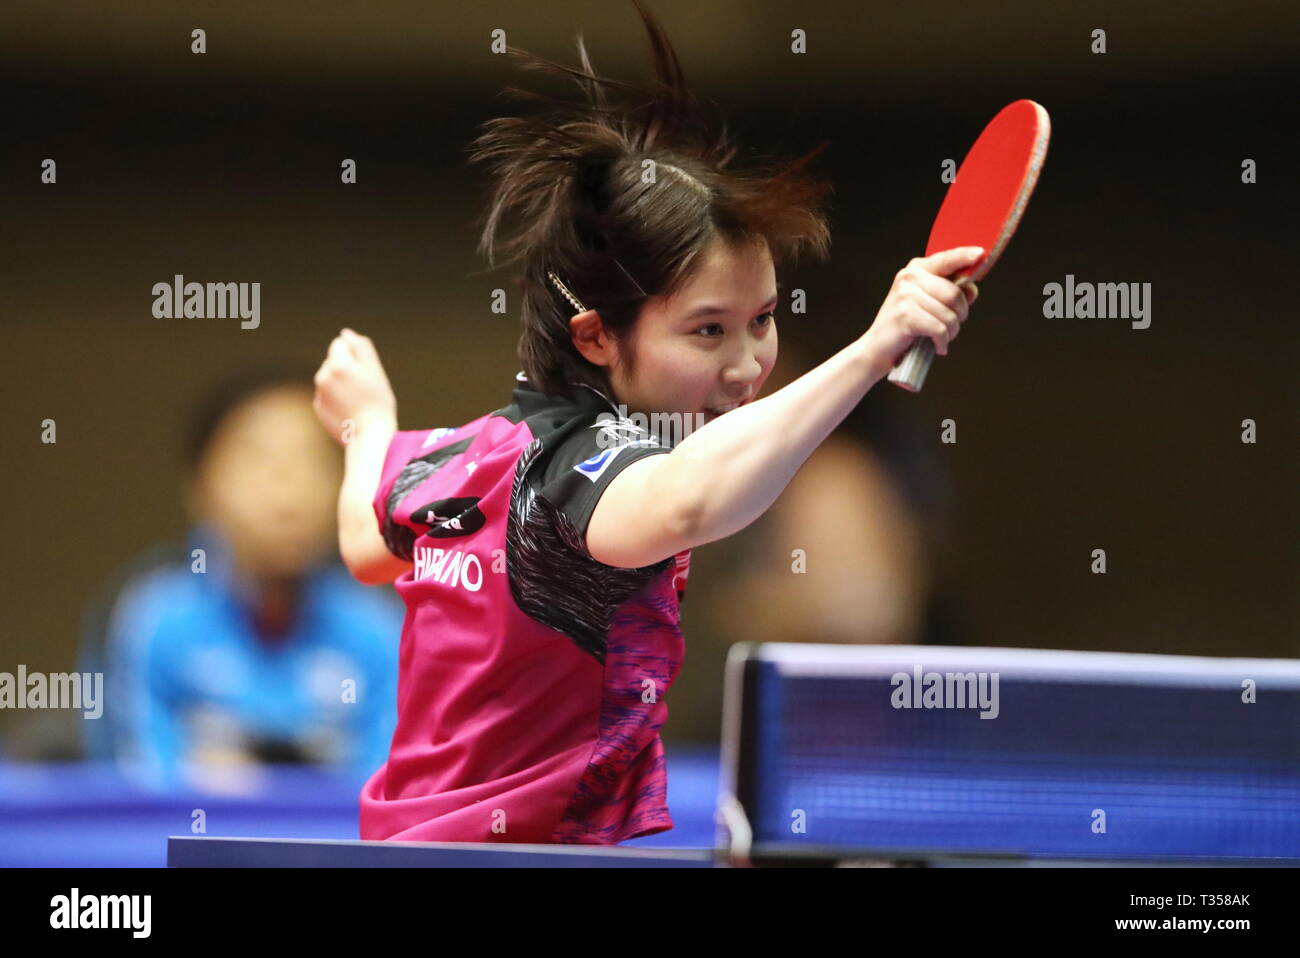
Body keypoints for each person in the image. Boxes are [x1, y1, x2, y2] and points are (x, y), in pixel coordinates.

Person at [312, 1, 980, 844]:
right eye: (708, 330)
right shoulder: (582, 471)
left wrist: (368, 424)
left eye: (763, 319)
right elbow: (688, 503)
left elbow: (366, 542)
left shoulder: (458, 456)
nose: (746, 363)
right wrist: (873, 350)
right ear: (596, 335)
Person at [90, 367, 403, 790]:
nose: (289, 492)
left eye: (312, 460)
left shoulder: (379, 630)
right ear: (199, 487)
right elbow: (138, 796)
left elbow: (390, 803)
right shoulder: (149, 620)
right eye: (259, 459)